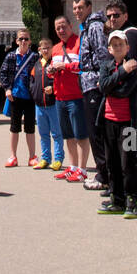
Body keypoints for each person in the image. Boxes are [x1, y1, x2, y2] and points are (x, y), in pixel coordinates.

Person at [97, 27, 137, 218]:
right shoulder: (106, 66)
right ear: (109, 49)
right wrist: (121, 72)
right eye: (114, 45)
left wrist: (110, 84)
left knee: (129, 162)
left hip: (129, 123)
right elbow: (104, 88)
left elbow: (123, 90)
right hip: (109, 121)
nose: (117, 47)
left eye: (120, 44)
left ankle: (132, 199)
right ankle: (116, 199)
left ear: (127, 47)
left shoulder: (135, 66)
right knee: (112, 162)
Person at [73, 0, 109, 191]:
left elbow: (102, 53)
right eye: (75, 8)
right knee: (95, 132)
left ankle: (104, 175)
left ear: (89, 7)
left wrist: (101, 80)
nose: (77, 11)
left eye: (80, 7)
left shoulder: (94, 27)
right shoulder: (87, 26)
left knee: (96, 133)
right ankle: (104, 173)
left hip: (94, 84)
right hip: (89, 81)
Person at [47, 16, 89, 181]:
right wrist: (51, 70)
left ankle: (83, 169)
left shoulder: (80, 44)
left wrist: (66, 66)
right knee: (68, 135)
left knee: (81, 135)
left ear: (71, 26)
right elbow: (53, 69)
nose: (61, 30)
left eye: (63, 26)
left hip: (76, 96)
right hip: (60, 97)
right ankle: (72, 167)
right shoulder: (56, 48)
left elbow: (86, 66)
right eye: (58, 28)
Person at [0, 32, 38, 167]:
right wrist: (7, 88)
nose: (23, 41)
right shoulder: (11, 56)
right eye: (21, 39)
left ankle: (32, 156)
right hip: (15, 96)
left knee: (30, 128)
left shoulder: (34, 57)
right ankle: (13, 156)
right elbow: (2, 73)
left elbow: (40, 73)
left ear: (30, 41)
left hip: (30, 96)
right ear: (16, 41)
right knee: (14, 127)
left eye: (26, 39)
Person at [29, 37, 64, 170]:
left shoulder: (55, 63)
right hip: (39, 104)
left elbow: (61, 81)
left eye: (48, 47)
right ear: (39, 50)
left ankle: (58, 158)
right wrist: (34, 92)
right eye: (43, 48)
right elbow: (31, 80)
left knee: (56, 133)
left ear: (52, 49)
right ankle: (45, 158)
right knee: (43, 134)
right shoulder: (37, 64)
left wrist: (54, 90)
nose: (45, 50)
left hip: (53, 104)